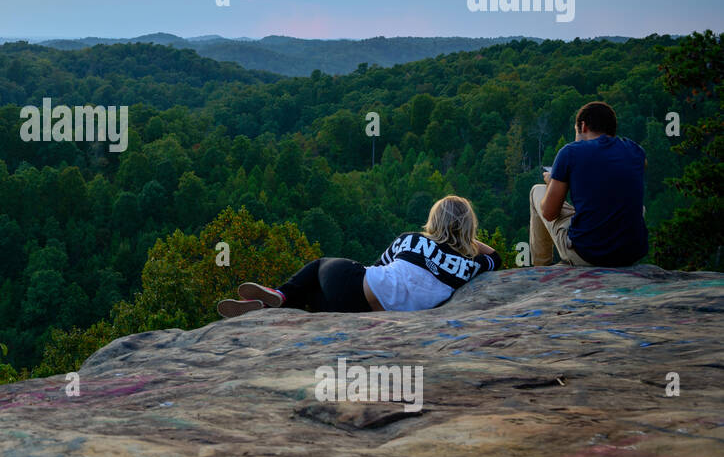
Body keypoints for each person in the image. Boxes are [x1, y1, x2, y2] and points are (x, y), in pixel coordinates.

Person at [218, 195, 501, 316]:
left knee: (320, 266)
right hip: (365, 313)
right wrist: (463, 236)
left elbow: (376, 267)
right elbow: (496, 257)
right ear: (470, 228)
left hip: (356, 290)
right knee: (310, 304)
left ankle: (277, 295)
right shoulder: (470, 266)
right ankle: (269, 307)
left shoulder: (411, 239)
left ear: (433, 221)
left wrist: (445, 231)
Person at [529, 101, 647, 267]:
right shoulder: (636, 151)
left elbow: (549, 213)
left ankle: (541, 268)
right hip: (630, 255)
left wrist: (551, 182)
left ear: (583, 126)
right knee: (639, 208)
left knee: (537, 191)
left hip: (588, 254)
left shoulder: (570, 152)